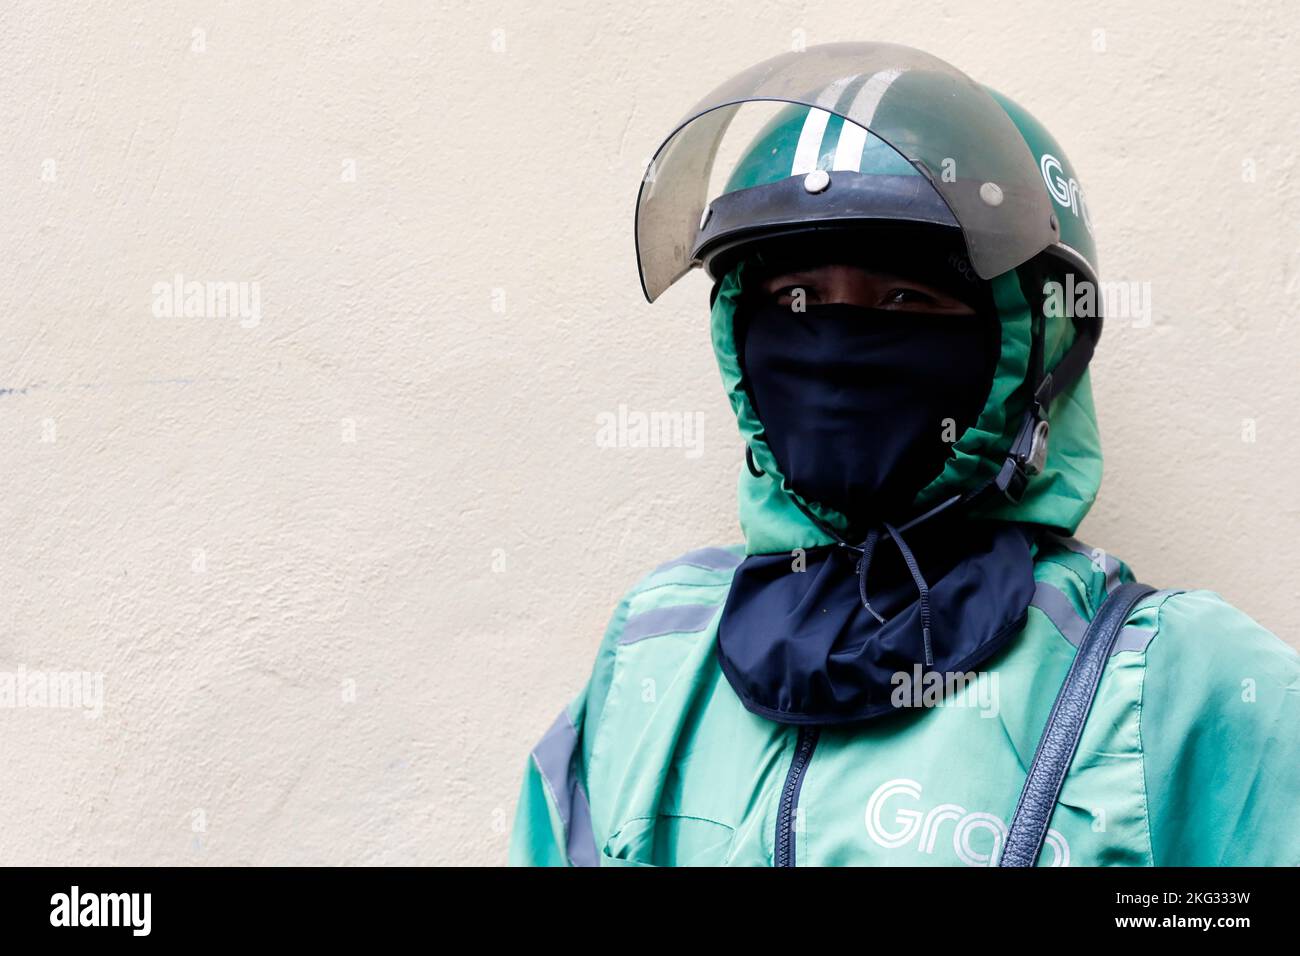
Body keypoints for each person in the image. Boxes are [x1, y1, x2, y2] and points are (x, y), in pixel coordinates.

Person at [508, 42, 1300, 867]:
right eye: (796, 299)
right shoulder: (655, 653)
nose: (839, 342)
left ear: (1035, 344)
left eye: (905, 298)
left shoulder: (1178, 686)